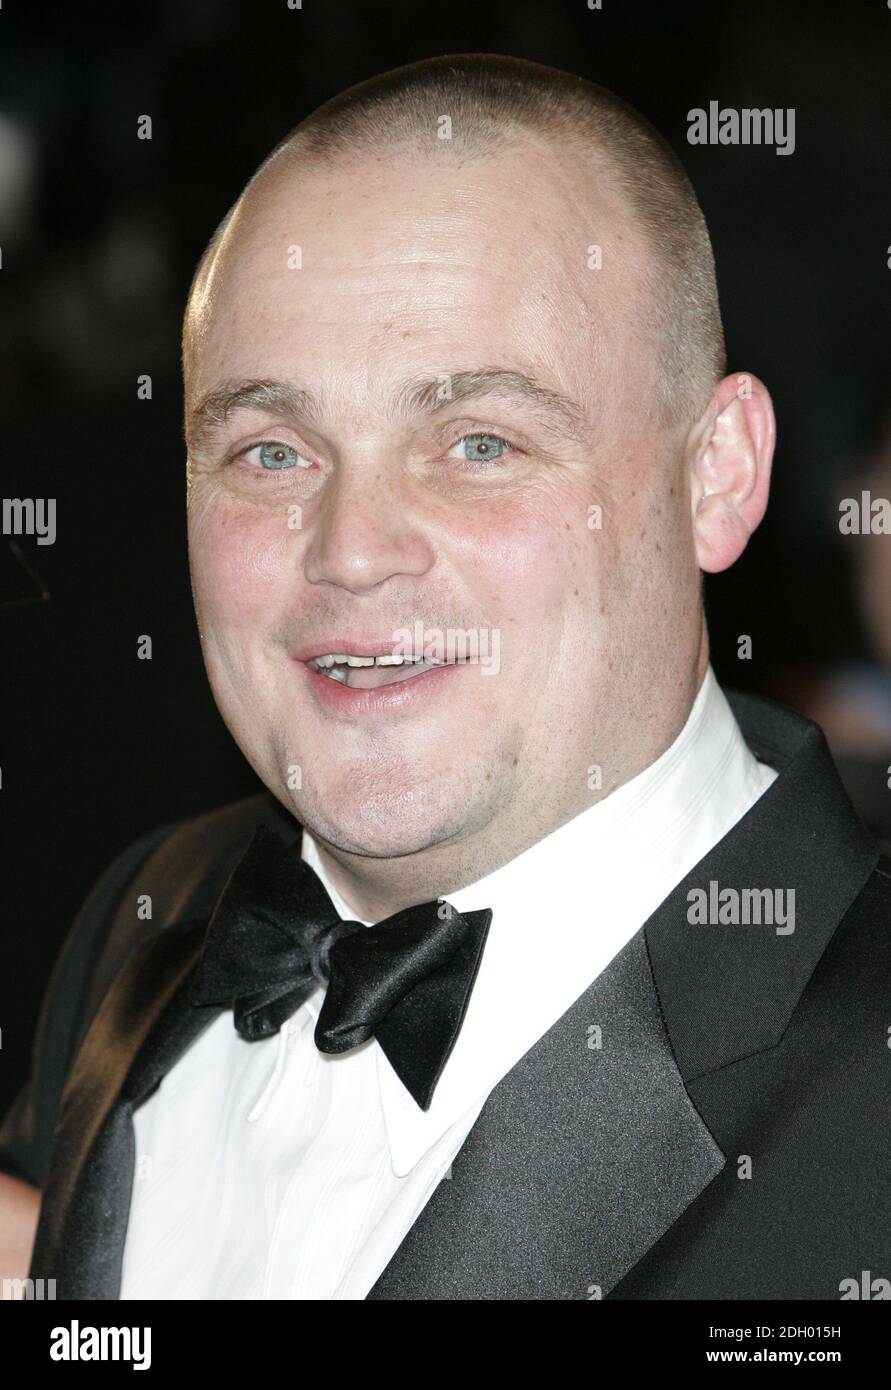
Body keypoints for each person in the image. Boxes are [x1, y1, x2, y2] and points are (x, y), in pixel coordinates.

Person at [2, 53, 888, 1301]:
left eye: (479, 441)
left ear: (717, 475)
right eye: (270, 450)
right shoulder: (152, 913)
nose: (352, 549)